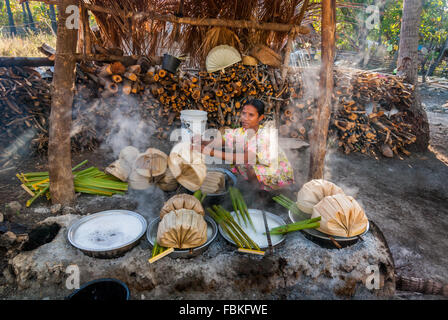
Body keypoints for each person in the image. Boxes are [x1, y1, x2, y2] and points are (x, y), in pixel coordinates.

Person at [198, 99, 294, 192]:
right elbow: (222, 141)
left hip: (277, 173)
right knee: (245, 166)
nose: (245, 118)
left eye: (251, 115)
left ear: (260, 118)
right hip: (258, 167)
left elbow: (244, 158)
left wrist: (210, 152)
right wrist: (202, 142)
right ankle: (254, 187)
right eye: (244, 113)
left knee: (249, 168)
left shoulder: (263, 135)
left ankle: (261, 194)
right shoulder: (241, 131)